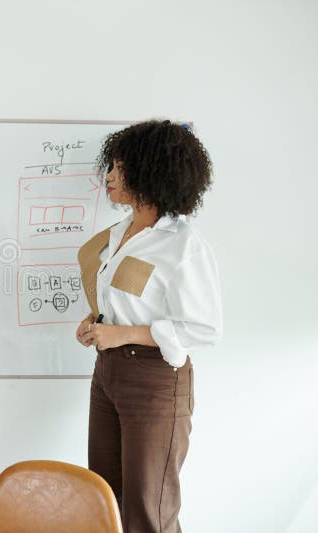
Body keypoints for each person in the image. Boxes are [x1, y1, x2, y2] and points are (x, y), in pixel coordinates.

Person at [75, 120, 222, 533]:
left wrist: (123, 334)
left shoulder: (183, 245)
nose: (108, 176)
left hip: (155, 381)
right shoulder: (120, 232)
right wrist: (97, 323)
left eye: (118, 168)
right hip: (108, 374)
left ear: (148, 172)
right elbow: (127, 302)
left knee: (148, 511)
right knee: (105, 499)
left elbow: (205, 327)